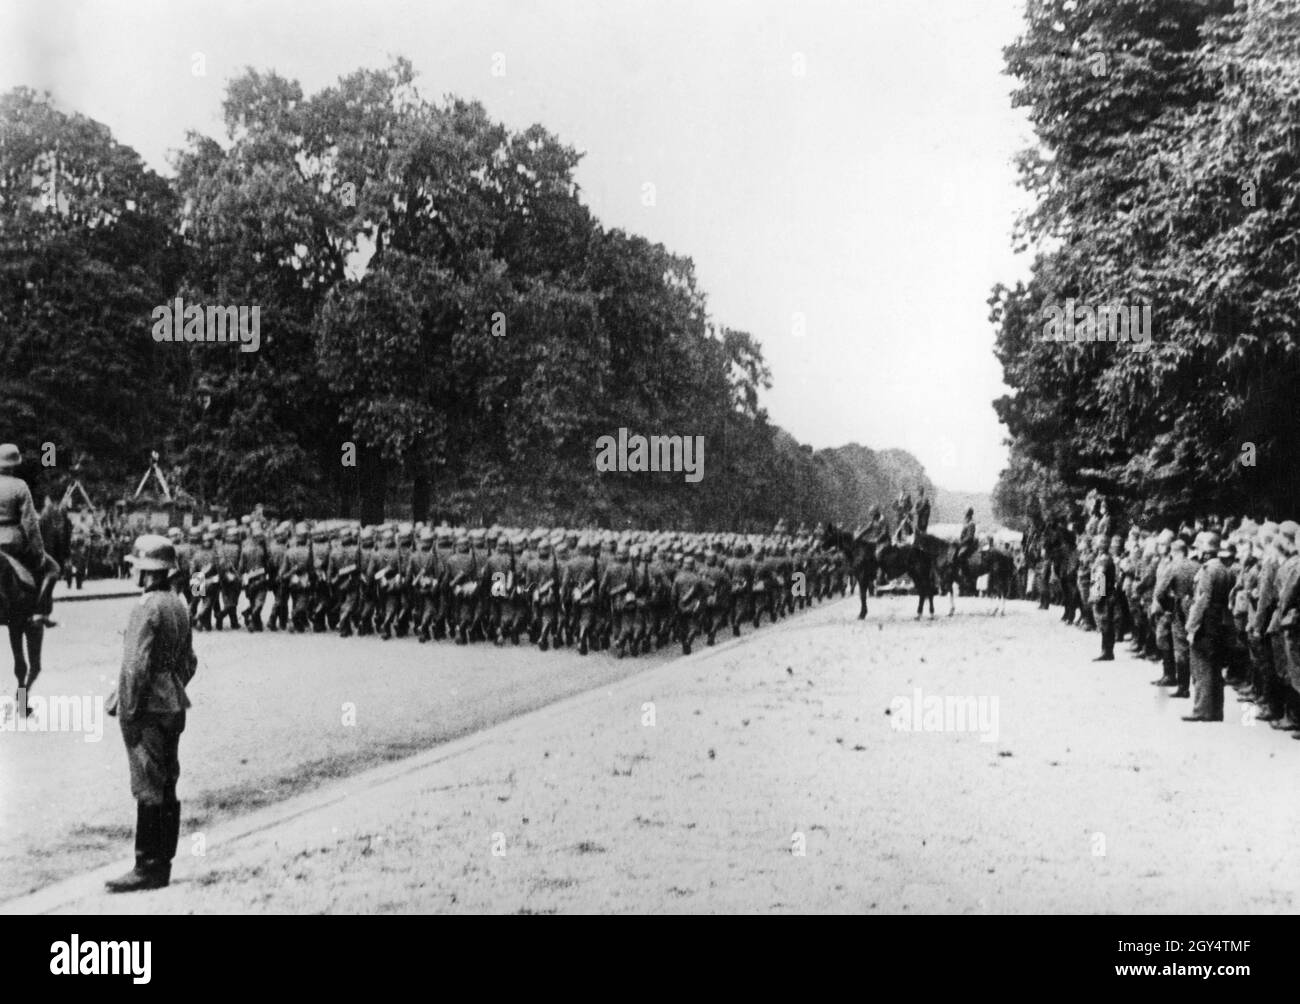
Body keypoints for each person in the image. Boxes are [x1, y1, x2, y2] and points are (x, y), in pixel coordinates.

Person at [104, 534, 197, 893]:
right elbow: (190, 661)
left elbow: (134, 667)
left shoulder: (146, 608)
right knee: (167, 782)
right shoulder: (177, 604)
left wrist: (128, 711)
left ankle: (146, 866)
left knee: (147, 785)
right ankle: (163, 863)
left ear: (145, 572)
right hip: (171, 702)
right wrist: (172, 687)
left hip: (146, 708)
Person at [0, 443, 58, 626]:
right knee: (52, 568)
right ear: (15, 464)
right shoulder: (20, 486)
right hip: (13, 541)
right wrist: (39, 550)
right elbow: (30, 523)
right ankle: (40, 612)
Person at [1184, 533, 1234, 722]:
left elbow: (1201, 601)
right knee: (1214, 667)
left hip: (1206, 623)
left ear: (1205, 550)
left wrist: (1191, 626)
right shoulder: (1225, 569)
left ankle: (1201, 710)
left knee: (1201, 666)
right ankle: (1216, 710)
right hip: (1220, 623)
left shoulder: (1207, 570)